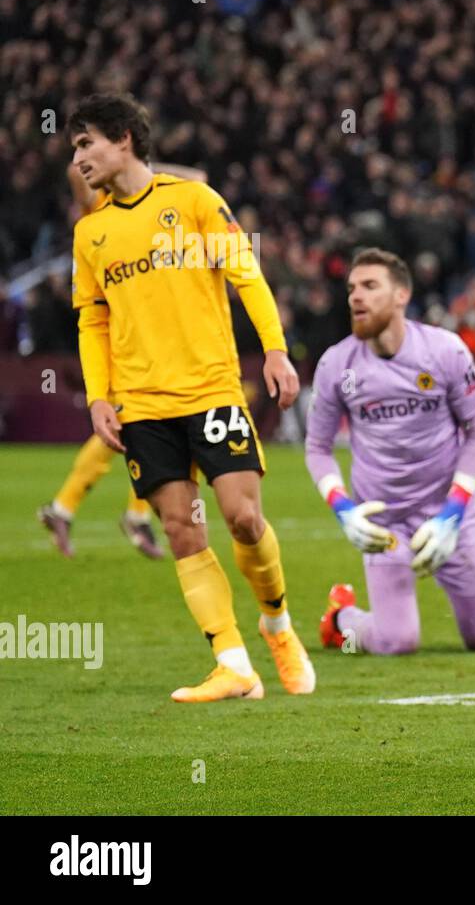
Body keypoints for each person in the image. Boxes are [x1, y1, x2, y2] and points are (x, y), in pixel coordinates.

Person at [70, 93, 314, 701]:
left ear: (124, 137)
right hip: (141, 404)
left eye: (86, 144)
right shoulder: (90, 232)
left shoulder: (195, 201)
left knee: (242, 516)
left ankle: (277, 625)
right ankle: (233, 663)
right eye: (74, 148)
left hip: (210, 390)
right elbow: (92, 323)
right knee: (181, 529)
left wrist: (275, 349)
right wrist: (99, 397)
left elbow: (245, 276)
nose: (78, 159)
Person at [308, 249, 475, 654]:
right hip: (386, 521)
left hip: (449, 513)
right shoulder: (336, 364)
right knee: (396, 641)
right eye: (351, 289)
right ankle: (340, 618)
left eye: (369, 286)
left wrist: (453, 512)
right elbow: (317, 446)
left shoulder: (445, 351)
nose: (355, 297)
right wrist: (342, 507)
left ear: (401, 295)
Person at [37, 161, 206, 560]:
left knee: (143, 425)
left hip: (155, 334)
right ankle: (119, 513)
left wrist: (141, 166)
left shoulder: (149, 205)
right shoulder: (98, 210)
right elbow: (74, 172)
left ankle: (71, 509)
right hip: (118, 335)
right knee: (138, 424)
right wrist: (127, 163)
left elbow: (199, 180)